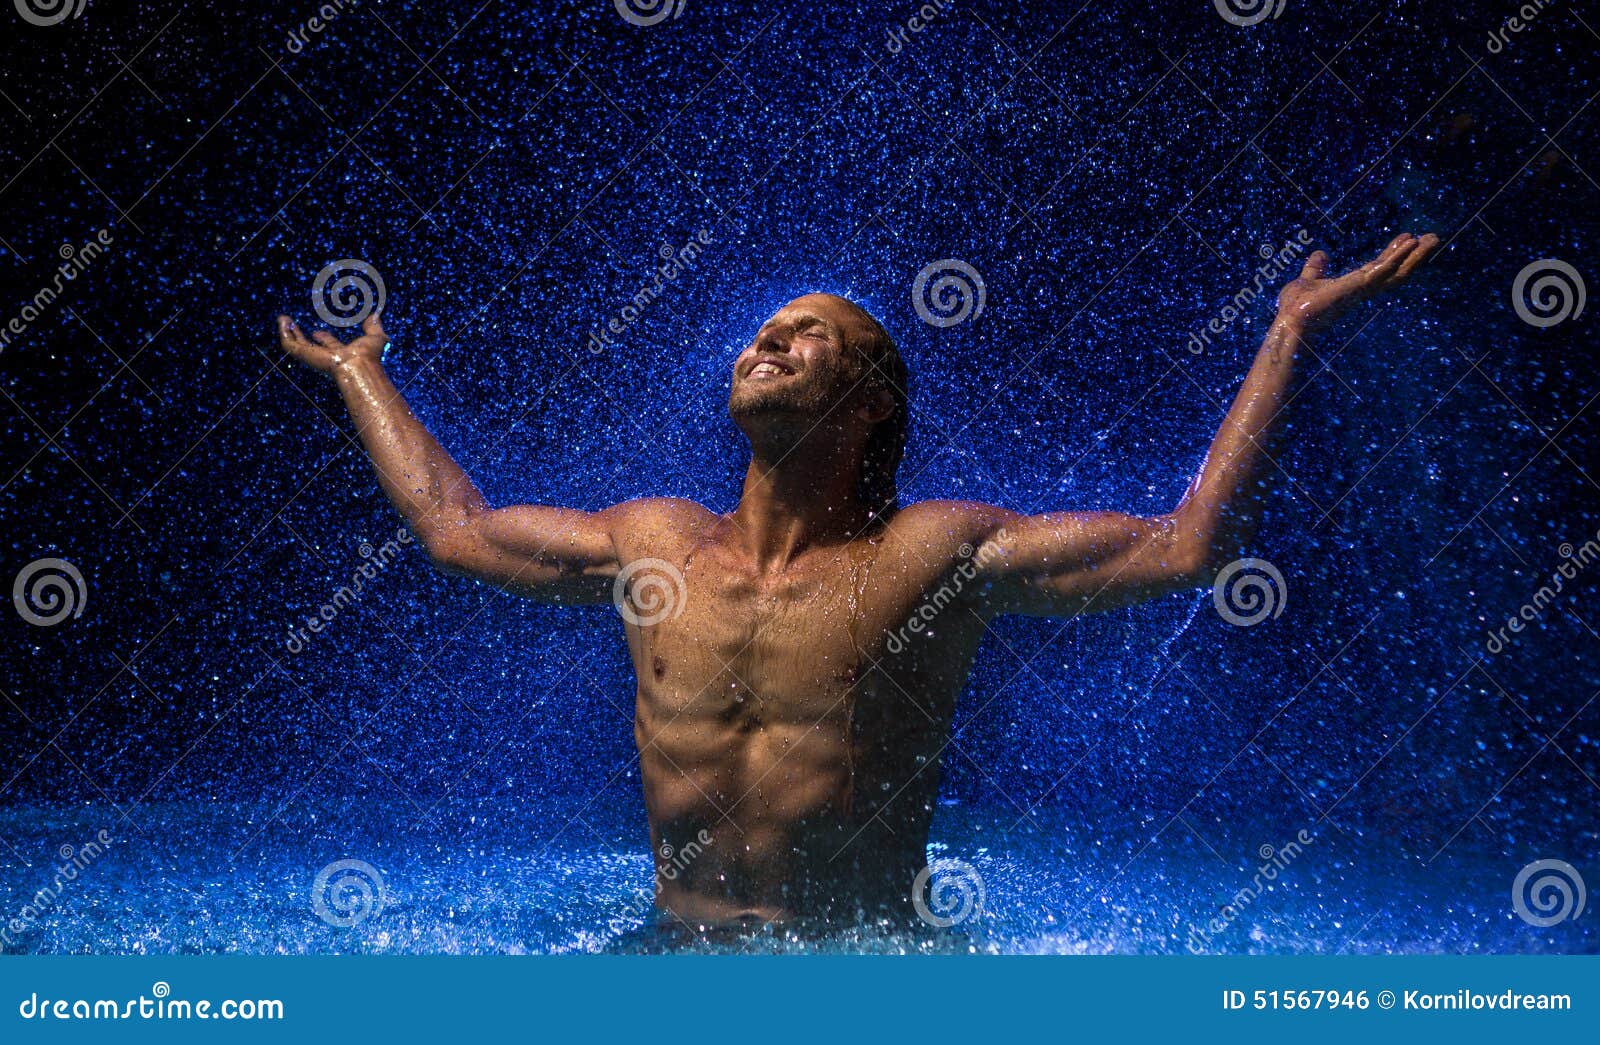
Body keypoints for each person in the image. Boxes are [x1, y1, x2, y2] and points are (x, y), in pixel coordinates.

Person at [277, 232, 1439, 938]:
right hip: (674, 959)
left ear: (874, 396)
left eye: (809, 334)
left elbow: (1185, 545)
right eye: (764, 330)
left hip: (866, 966)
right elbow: (456, 525)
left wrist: (1287, 332)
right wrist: (358, 374)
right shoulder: (652, 543)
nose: (767, 340)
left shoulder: (930, 557)